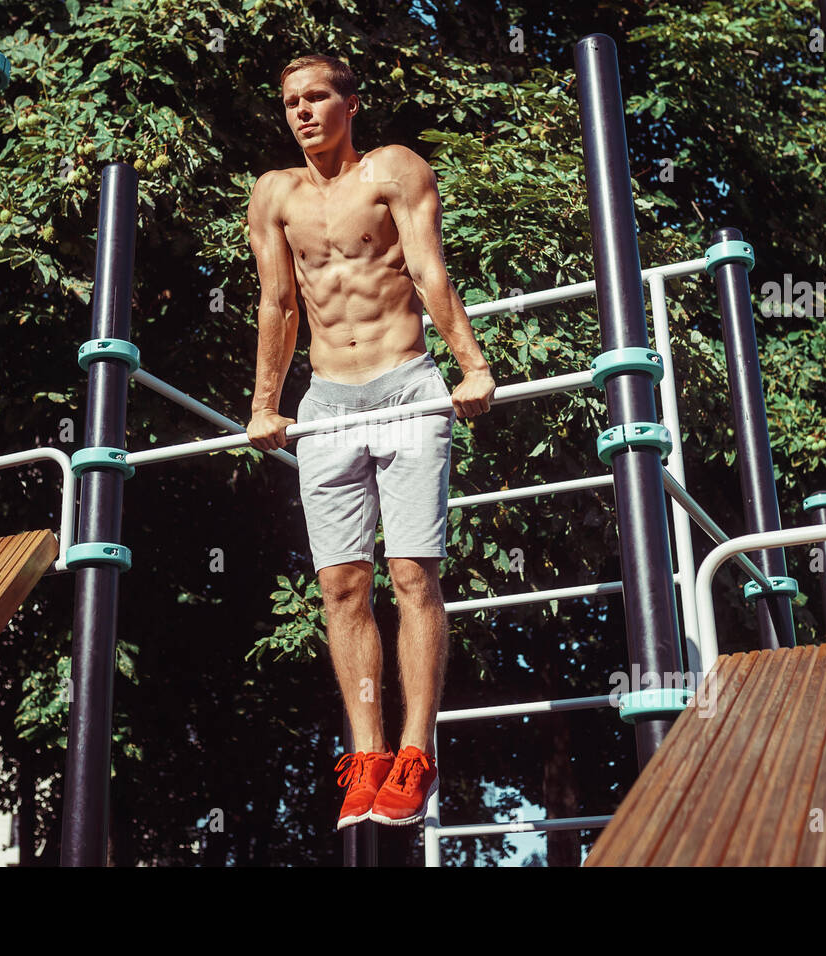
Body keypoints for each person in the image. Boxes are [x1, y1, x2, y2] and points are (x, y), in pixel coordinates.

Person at [245, 54, 496, 829]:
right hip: (327, 402)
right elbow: (279, 304)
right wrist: (263, 406)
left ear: (350, 103)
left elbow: (429, 272)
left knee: (413, 574)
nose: (303, 112)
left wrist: (473, 366)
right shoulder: (274, 194)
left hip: (407, 386)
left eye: (318, 97)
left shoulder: (394, 171)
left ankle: (415, 751)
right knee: (341, 588)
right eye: (292, 102)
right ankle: (368, 754)